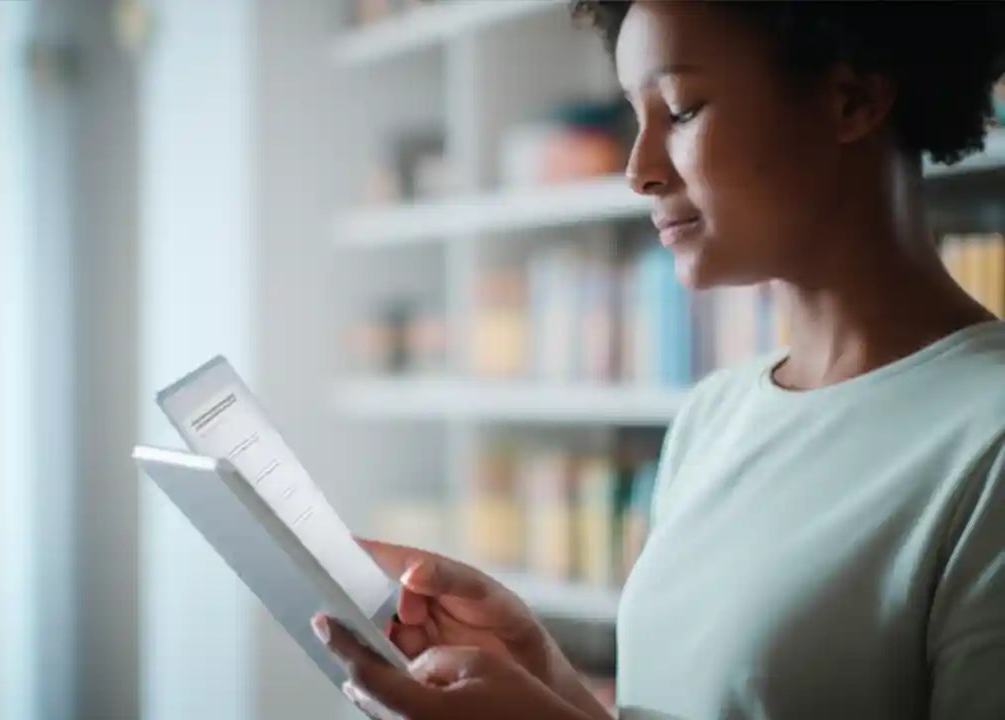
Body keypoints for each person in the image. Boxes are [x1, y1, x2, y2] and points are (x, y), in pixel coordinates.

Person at [312, 2, 1005, 719]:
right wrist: (539, 670)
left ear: (850, 100)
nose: (638, 171)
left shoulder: (989, 439)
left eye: (680, 110)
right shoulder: (714, 414)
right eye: (633, 118)